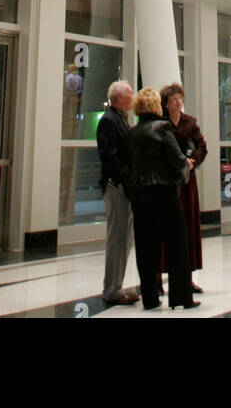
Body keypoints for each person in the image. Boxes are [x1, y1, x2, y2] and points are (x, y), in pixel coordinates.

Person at [125, 87, 197, 310]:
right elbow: (176, 159)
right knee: (177, 244)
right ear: (155, 105)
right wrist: (186, 166)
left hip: (139, 195)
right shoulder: (163, 127)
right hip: (164, 192)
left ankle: (149, 297)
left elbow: (129, 164)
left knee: (146, 246)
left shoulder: (132, 132)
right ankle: (182, 297)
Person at [160, 82, 207, 295]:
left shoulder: (190, 123)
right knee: (164, 229)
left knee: (188, 227)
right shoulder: (160, 123)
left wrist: (192, 162)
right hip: (166, 181)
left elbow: (202, 147)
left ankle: (187, 277)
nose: (178, 102)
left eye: (180, 98)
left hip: (187, 182)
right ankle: (158, 277)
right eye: (174, 99)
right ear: (166, 103)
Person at [96, 80, 139, 306]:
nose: (133, 97)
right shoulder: (109, 121)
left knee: (124, 238)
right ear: (119, 98)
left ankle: (117, 286)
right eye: (130, 94)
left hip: (123, 186)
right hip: (117, 187)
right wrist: (124, 180)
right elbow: (109, 156)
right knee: (117, 239)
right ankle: (112, 289)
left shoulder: (121, 119)